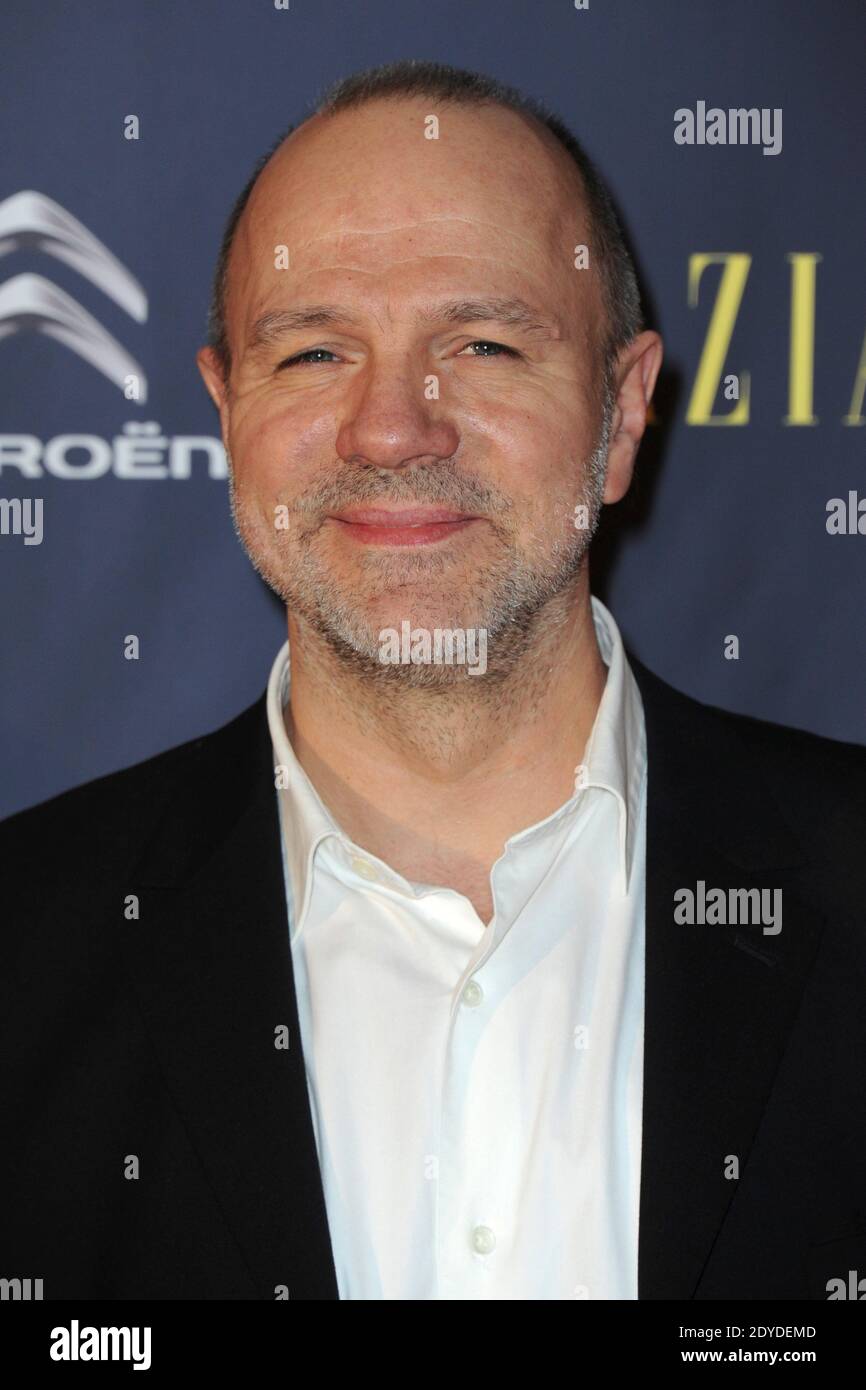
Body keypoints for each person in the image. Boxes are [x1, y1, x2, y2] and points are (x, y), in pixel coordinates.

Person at [1, 60, 864, 1302]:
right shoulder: (23, 955)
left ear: (619, 417)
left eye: (483, 340)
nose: (392, 428)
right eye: (309, 354)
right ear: (223, 411)